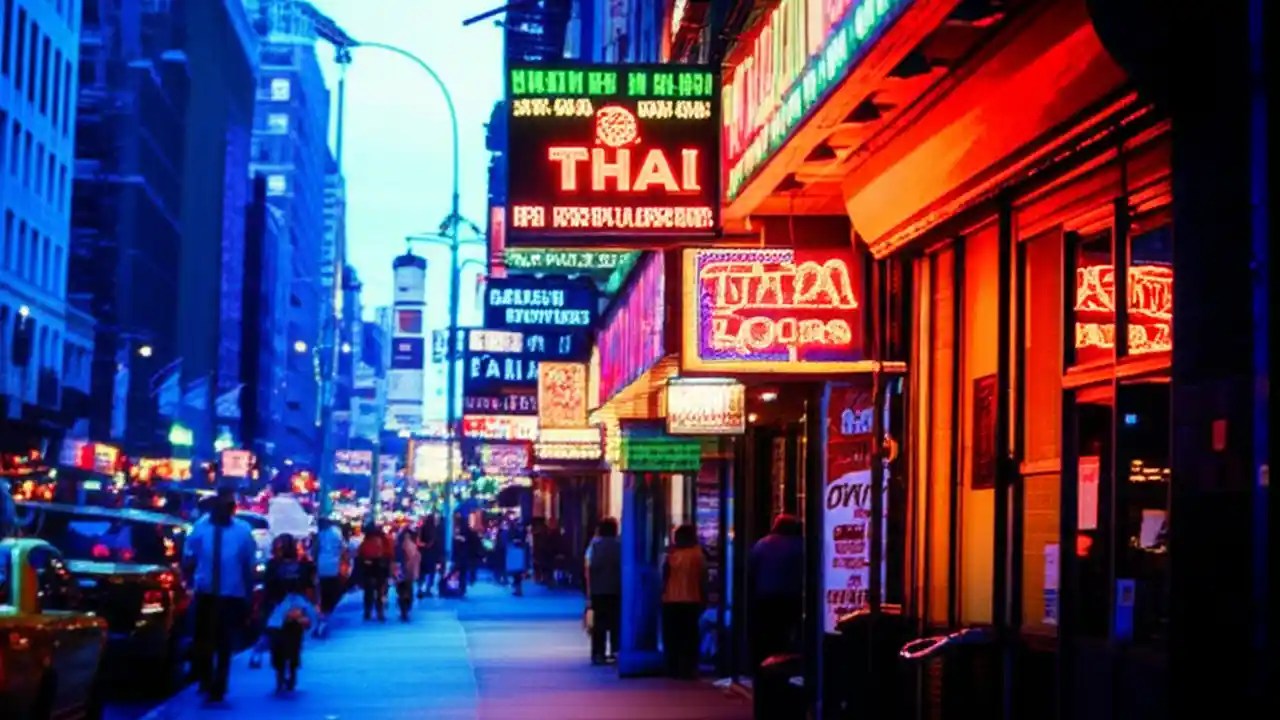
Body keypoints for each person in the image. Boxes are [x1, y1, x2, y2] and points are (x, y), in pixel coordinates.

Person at [183, 487, 257, 703]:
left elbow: (247, 565)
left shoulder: (242, 531)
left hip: (231, 595)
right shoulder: (200, 528)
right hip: (205, 593)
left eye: (229, 506)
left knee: (224, 642)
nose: (225, 510)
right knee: (203, 640)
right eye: (221, 506)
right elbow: (189, 557)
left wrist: (249, 596)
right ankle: (205, 678)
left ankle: (220, 685)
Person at [263, 533, 319, 692]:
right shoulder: (303, 565)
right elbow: (311, 587)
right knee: (294, 640)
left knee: (279, 640)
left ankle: (282, 673)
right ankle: (290, 671)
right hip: (293, 608)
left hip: (282, 608)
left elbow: (268, 588)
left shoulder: (274, 566)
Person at [748, 513, 804, 670]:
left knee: (766, 632)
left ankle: (764, 664)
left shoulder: (762, 544)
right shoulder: (798, 545)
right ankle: (783, 663)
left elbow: (752, 570)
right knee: (785, 632)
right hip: (790, 595)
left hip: (764, 595)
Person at [662, 524, 707, 679]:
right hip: (692, 599)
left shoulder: (671, 555)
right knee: (690, 636)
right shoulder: (698, 554)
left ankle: (673, 667)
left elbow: (664, 577)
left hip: (671, 599)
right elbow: (703, 578)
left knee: (673, 636)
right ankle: (688, 668)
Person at [584, 518, 622, 665]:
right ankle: (615, 651)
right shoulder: (621, 546)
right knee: (615, 623)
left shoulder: (594, 546)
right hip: (616, 590)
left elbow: (588, 568)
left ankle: (598, 653)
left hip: (598, 590)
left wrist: (588, 592)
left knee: (598, 624)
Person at [314, 518, 346, 636]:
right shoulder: (337, 533)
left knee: (323, 591)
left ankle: (324, 612)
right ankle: (328, 611)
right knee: (332, 591)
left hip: (322, 567)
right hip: (334, 566)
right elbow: (343, 548)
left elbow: (315, 550)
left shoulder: (320, 535)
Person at [357, 524, 390, 621]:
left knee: (369, 591)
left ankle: (368, 611)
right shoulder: (383, 541)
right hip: (380, 569)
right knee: (380, 591)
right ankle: (380, 612)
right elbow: (389, 554)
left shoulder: (365, 542)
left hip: (369, 570)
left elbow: (360, 554)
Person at [394, 528, 421, 621]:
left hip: (400, 572)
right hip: (409, 573)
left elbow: (394, 560)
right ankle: (406, 608)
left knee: (401, 591)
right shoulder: (413, 546)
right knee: (408, 590)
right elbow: (416, 560)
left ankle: (403, 609)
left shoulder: (397, 545)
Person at [416, 515, 441, 598]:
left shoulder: (422, 528)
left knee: (422, 572)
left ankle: (419, 588)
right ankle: (428, 588)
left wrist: (423, 545)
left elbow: (418, 540)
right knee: (431, 572)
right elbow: (436, 543)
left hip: (423, 554)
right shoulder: (436, 530)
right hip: (432, 554)